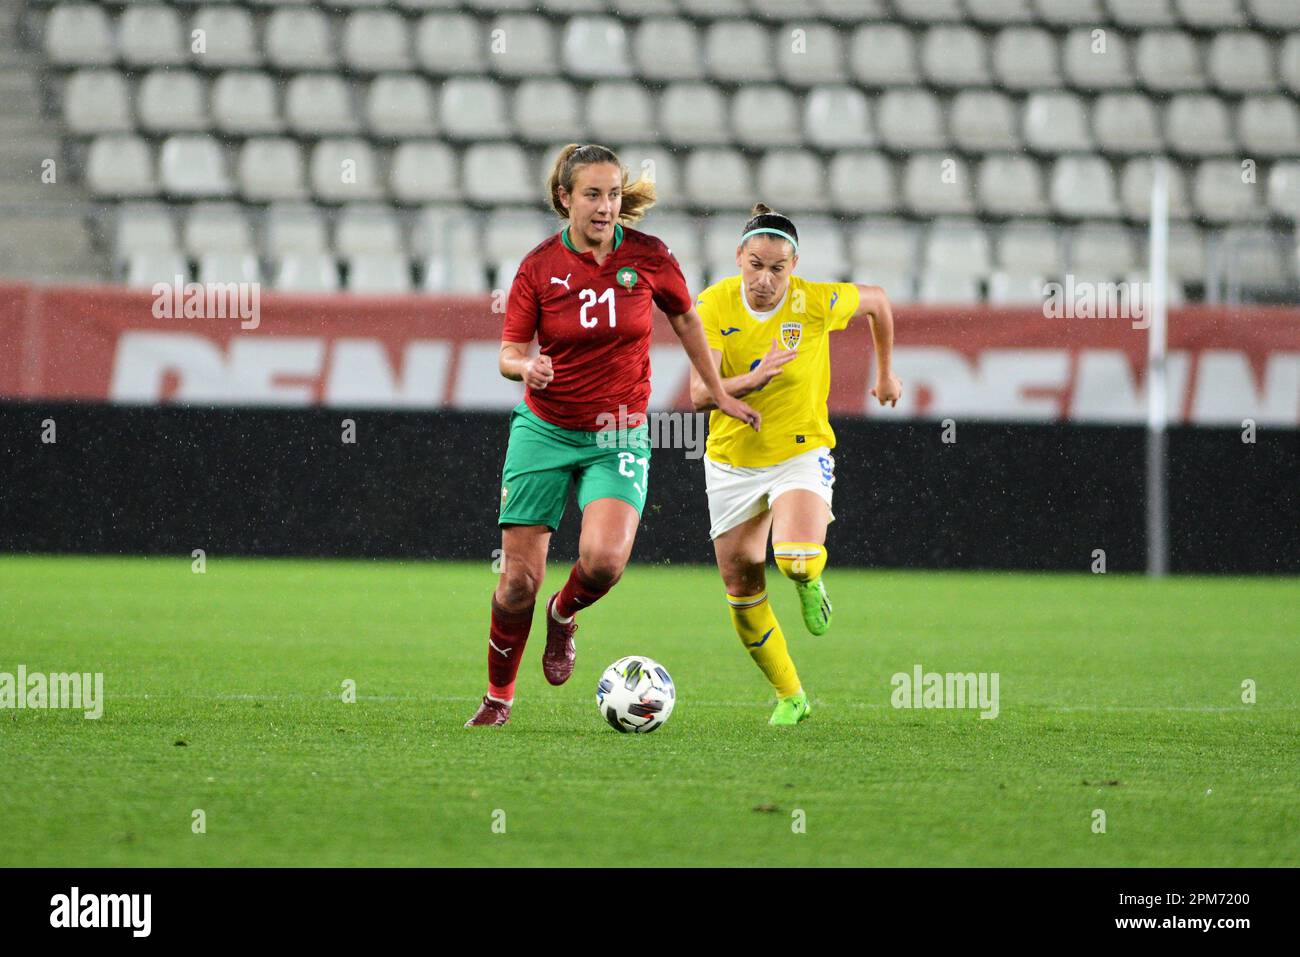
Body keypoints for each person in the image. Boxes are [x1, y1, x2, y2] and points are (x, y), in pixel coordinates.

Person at [466, 144, 760, 727]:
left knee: (602, 562)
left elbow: (685, 319)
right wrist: (525, 368)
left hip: (616, 432)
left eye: (614, 194)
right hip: (544, 430)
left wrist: (719, 389)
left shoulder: (650, 258)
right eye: (593, 195)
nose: (606, 207)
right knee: (516, 582)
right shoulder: (538, 268)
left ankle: (564, 615)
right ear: (564, 199)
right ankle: (498, 698)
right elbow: (507, 352)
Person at [688, 203, 902, 726]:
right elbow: (698, 394)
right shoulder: (712, 305)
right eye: (756, 265)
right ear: (739, 256)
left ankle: (810, 583)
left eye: (777, 268)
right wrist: (751, 379)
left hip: (800, 450)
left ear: (794, 265)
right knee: (741, 591)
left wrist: (886, 375)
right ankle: (792, 696)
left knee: (797, 559)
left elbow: (877, 302)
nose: (765, 279)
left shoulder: (814, 300)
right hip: (732, 461)